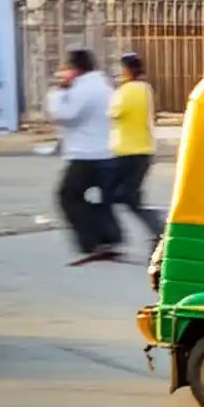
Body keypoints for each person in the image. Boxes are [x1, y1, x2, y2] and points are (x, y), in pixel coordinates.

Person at [48, 48, 121, 266]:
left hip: (86, 154)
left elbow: (64, 115)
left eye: (66, 68)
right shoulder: (105, 85)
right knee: (101, 199)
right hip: (107, 150)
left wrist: (58, 92)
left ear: (75, 69)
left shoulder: (83, 88)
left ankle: (92, 242)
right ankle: (110, 238)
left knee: (68, 196)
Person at [109, 53, 163, 252]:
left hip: (126, 151)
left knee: (114, 195)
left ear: (127, 70)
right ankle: (155, 227)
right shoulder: (146, 89)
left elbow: (113, 113)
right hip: (144, 150)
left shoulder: (126, 91)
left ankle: (111, 236)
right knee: (130, 197)